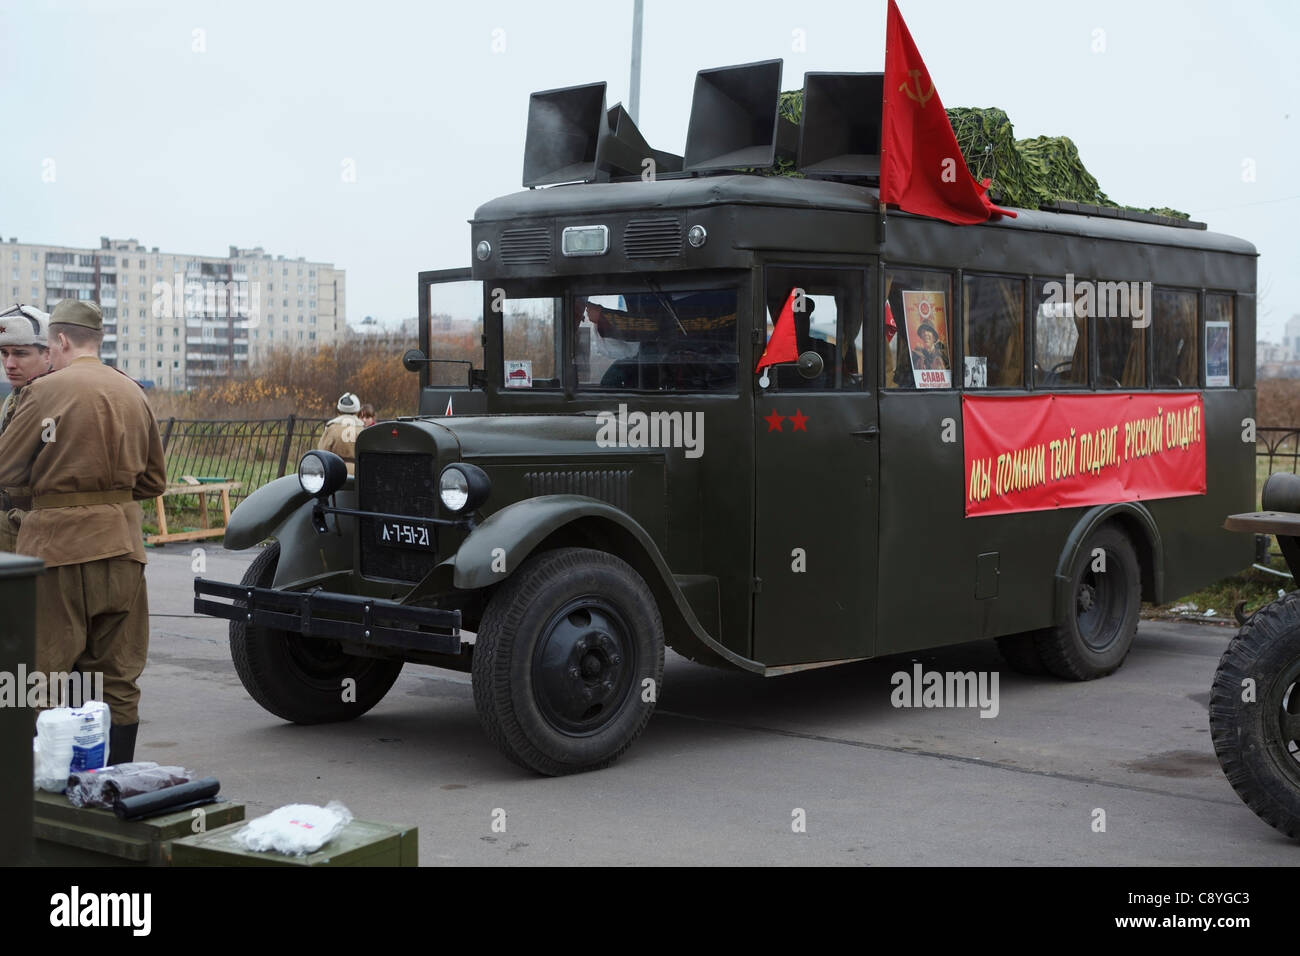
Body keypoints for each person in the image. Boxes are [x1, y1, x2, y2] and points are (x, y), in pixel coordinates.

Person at [0, 299, 166, 761]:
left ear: (62, 340)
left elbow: (5, 470)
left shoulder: (45, 392)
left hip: (55, 549)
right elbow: (154, 481)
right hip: (123, 548)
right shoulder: (133, 392)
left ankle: (46, 795)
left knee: (45, 677)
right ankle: (113, 786)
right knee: (117, 677)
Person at [0, 305, 52, 553]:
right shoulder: (14, 398)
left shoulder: (56, 398)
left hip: (40, 531)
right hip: (11, 525)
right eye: (4, 353)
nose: (9, 364)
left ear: (48, 354)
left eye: (20, 353)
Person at [318, 392, 367, 474]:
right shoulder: (362, 428)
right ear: (357, 410)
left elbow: (322, 450)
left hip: (334, 469)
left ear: (339, 409)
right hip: (358, 471)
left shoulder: (332, 427)